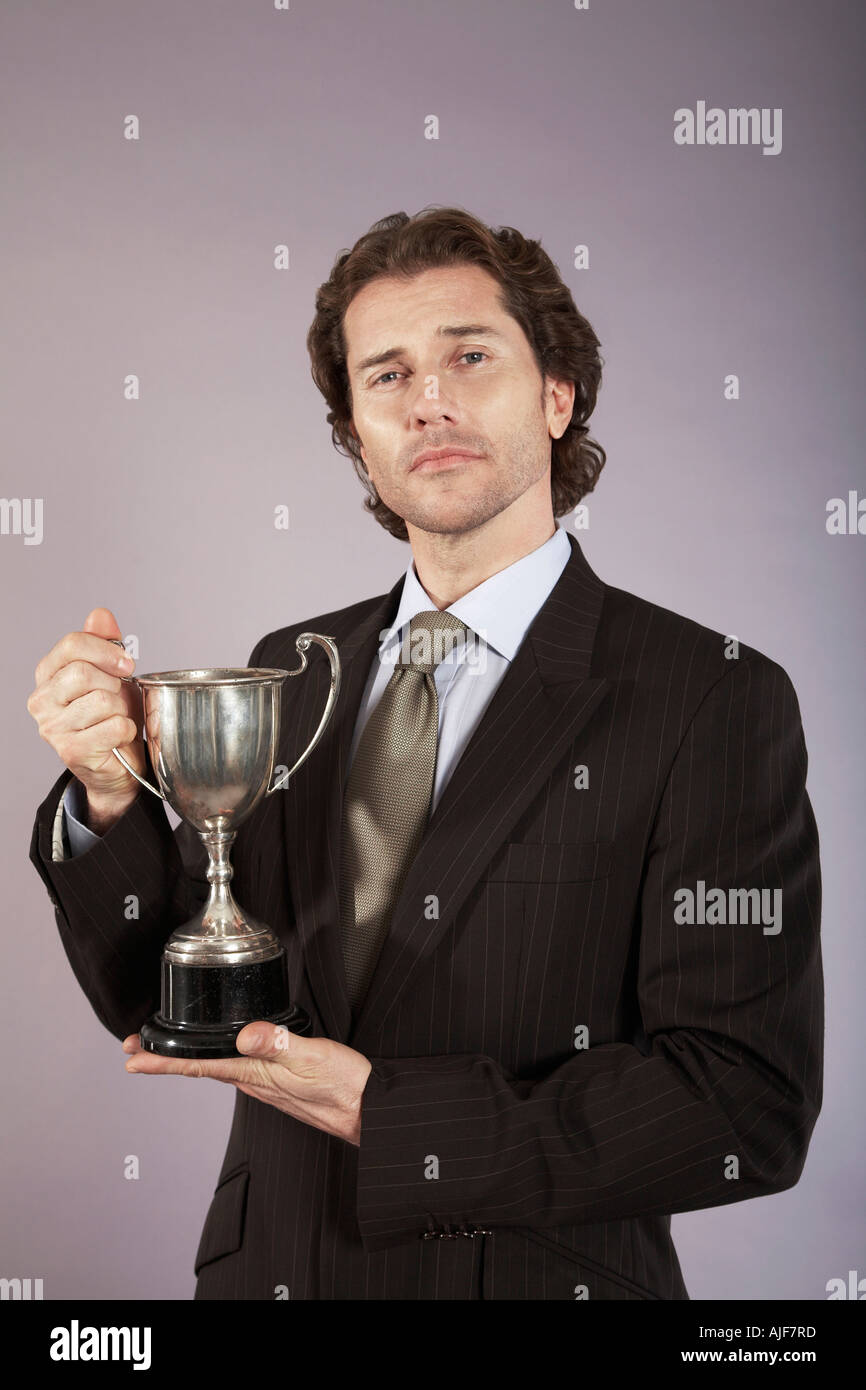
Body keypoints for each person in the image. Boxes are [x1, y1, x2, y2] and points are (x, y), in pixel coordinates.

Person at [27, 206, 824, 1301]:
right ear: (355, 432)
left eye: (468, 355)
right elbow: (169, 998)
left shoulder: (711, 696)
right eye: (387, 374)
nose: (429, 399)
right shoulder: (288, 671)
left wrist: (385, 1115)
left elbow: (744, 1103)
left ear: (557, 395)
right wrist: (111, 801)